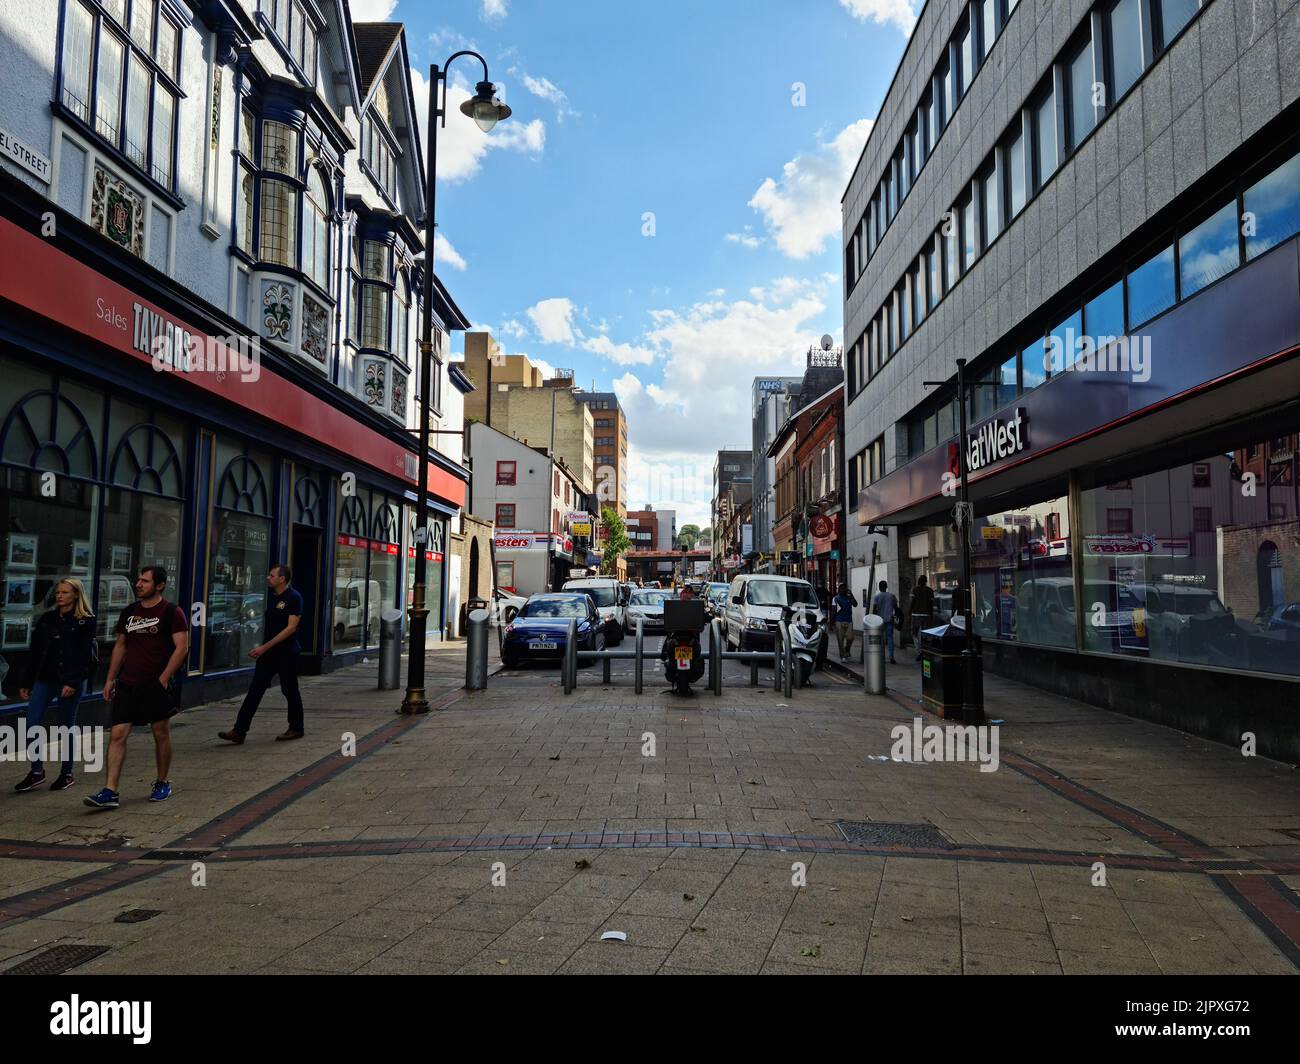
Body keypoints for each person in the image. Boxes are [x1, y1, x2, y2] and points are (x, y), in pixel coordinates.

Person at [85, 566, 188, 809]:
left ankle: (162, 782)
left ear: (159, 585)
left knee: (160, 733)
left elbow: (181, 648)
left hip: (155, 684)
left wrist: (163, 678)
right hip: (128, 683)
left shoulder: (172, 612)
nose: (138, 584)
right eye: (138, 579)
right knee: (118, 734)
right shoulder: (130, 612)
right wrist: (110, 678)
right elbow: (121, 645)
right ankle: (110, 790)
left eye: (145, 580)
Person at [14, 578, 96, 793]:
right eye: (58, 592)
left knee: (65, 726)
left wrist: (72, 681)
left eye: (65, 592)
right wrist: (26, 681)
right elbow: (36, 653)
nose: (60, 596)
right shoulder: (47, 619)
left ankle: (66, 773)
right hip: (45, 678)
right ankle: (36, 771)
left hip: (69, 681)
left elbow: (83, 655)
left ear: (76, 595)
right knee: (31, 723)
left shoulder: (85, 621)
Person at [219, 564, 305, 744]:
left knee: (289, 690)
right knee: (255, 690)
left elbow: (291, 628)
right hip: (269, 654)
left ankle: (296, 727)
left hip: (287, 653)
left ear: (282, 579)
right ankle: (239, 731)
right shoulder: (272, 597)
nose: (268, 577)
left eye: (272, 575)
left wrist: (263, 647)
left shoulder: (294, 598)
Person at [871, 580, 899, 664]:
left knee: (880, 638)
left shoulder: (876, 597)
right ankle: (891, 656)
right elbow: (896, 607)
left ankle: (880, 656)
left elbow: (874, 609)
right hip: (889, 619)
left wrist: (873, 619)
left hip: (880, 621)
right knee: (890, 638)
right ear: (886, 587)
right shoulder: (891, 596)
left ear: (879, 587)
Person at [910, 575, 936, 662]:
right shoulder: (930, 590)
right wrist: (931, 615)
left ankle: (920, 651)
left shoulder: (915, 589)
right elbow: (931, 605)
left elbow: (912, 602)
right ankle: (925, 651)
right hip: (927, 615)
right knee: (925, 634)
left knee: (914, 634)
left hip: (916, 615)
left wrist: (909, 612)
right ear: (926, 581)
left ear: (918, 581)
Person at [832, 583, 858, 661]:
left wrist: (852, 595)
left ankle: (847, 650)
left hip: (849, 620)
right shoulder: (835, 598)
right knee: (840, 640)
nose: (842, 589)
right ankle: (842, 655)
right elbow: (834, 610)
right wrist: (833, 622)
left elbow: (855, 604)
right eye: (841, 588)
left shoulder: (849, 597)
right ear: (838, 589)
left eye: (844, 588)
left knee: (850, 638)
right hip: (839, 620)